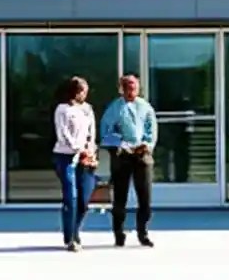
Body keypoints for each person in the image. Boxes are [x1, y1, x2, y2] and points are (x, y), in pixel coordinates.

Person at [100, 74, 157, 247]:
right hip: (122, 155)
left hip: (141, 155)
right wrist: (120, 143)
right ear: (122, 89)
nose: (131, 90)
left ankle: (143, 232)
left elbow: (151, 129)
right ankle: (119, 232)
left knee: (145, 198)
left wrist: (147, 145)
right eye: (127, 87)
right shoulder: (114, 108)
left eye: (134, 86)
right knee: (120, 197)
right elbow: (105, 132)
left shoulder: (145, 107)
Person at [52, 76, 97, 252]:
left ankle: (75, 229)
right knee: (71, 196)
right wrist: (78, 149)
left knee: (84, 199)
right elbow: (63, 134)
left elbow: (91, 133)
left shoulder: (87, 109)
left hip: (85, 157)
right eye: (81, 91)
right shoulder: (62, 109)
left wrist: (90, 150)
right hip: (66, 157)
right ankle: (70, 237)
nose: (84, 95)